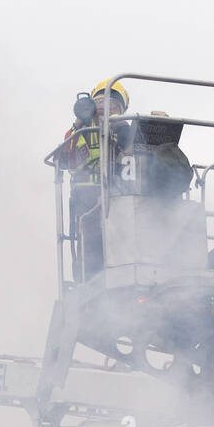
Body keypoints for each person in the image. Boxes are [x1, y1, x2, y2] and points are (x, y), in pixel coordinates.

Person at [59, 79, 131, 279]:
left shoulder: (123, 128)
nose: (105, 106)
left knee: (118, 240)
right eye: (100, 101)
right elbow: (62, 157)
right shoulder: (80, 129)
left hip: (116, 194)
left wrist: (118, 124)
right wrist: (78, 123)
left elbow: (130, 151)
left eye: (113, 103)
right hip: (85, 196)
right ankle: (87, 278)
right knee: (88, 244)